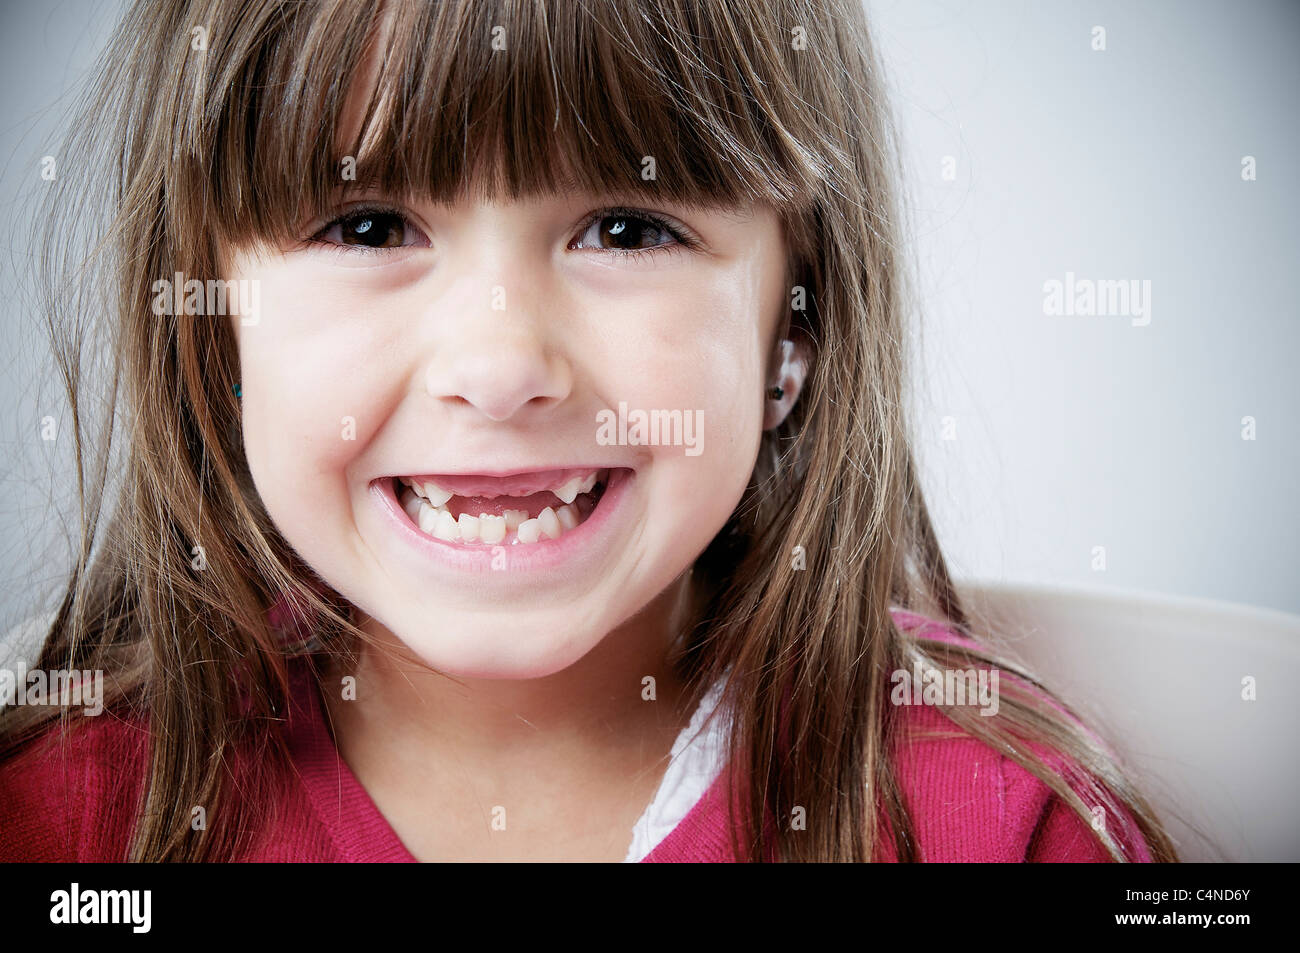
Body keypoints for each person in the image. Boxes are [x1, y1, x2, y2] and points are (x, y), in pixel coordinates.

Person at [0, 0, 1176, 862]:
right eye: (365, 227)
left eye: (625, 230)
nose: (501, 369)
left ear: (792, 334)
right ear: (215, 332)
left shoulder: (998, 822)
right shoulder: (58, 815)